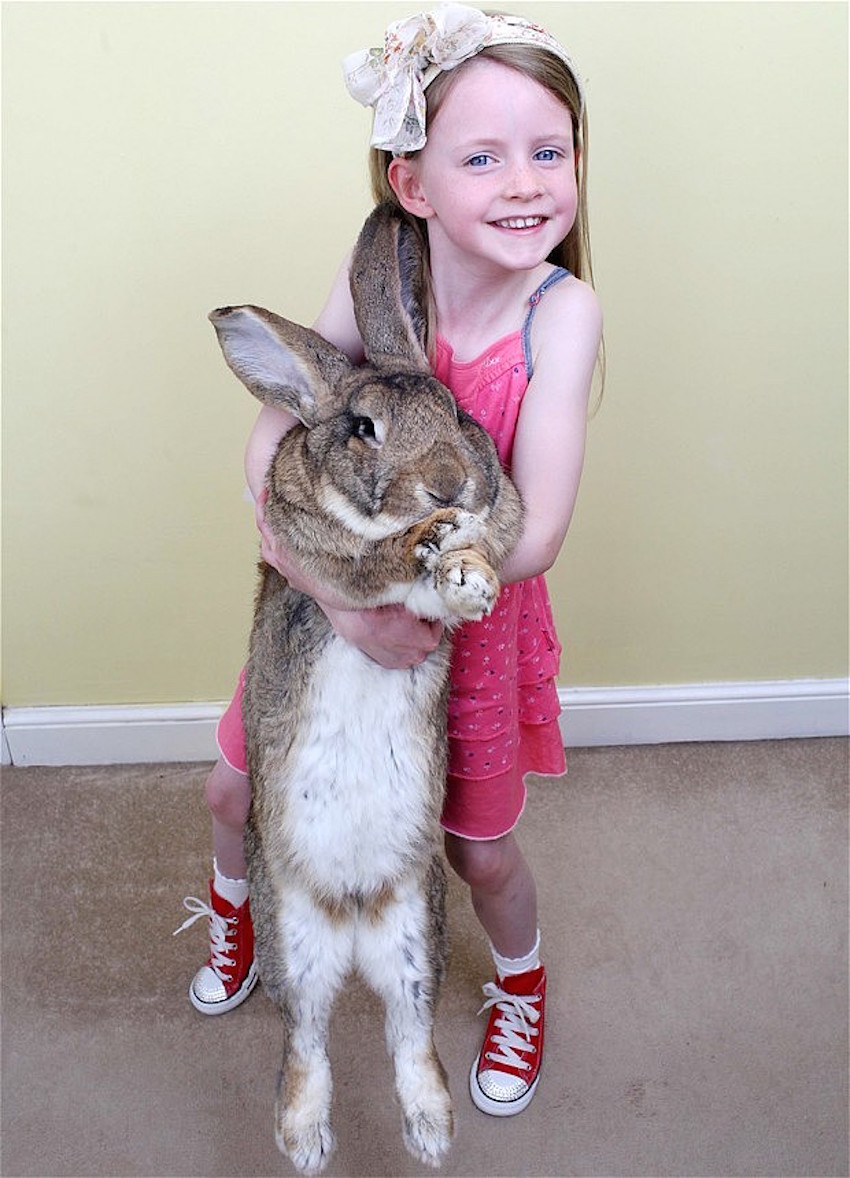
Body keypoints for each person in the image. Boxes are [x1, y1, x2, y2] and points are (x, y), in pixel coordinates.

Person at [176, 3, 603, 1118]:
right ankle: (234, 907)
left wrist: (418, 588)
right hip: (321, 613)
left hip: (472, 621)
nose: (524, 183)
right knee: (233, 785)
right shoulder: (388, 274)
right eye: (483, 156)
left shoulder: (561, 315)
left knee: (477, 853)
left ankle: (520, 982)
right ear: (412, 184)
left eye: (548, 152)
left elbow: (538, 530)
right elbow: (274, 442)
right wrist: (334, 588)